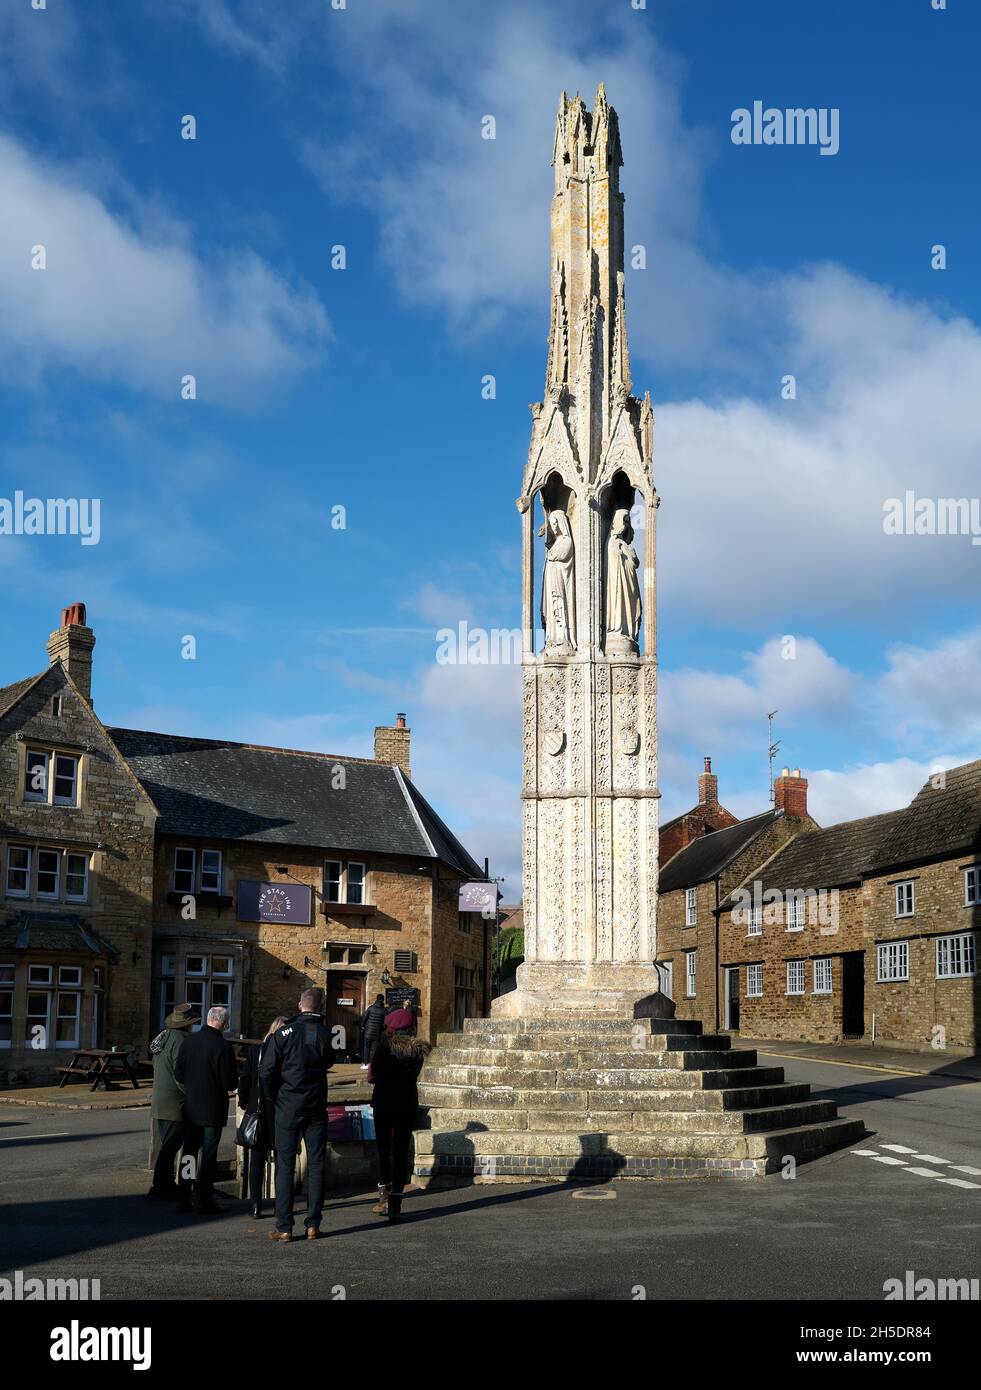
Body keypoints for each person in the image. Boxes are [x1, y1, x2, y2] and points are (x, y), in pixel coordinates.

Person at [260, 987, 334, 1243]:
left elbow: (266, 1071)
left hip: (288, 1105)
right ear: (320, 1008)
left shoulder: (283, 1033)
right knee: (316, 1165)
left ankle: (284, 1226)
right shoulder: (326, 1033)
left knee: (285, 1165)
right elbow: (329, 1062)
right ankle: (313, 1223)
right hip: (315, 1106)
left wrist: (274, 1097)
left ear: (299, 1005)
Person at [369, 1007, 432, 1224]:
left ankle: (383, 1196)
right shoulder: (417, 1052)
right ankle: (396, 1201)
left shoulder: (384, 1049)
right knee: (401, 1150)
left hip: (384, 1102)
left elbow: (373, 1074)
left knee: (383, 1149)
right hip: (406, 1103)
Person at [173, 1004, 238, 1214]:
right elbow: (230, 1082)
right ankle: (204, 1196)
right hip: (212, 1108)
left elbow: (179, 1074)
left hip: (191, 1106)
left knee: (189, 1152)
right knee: (209, 1154)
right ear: (224, 1023)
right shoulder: (223, 1047)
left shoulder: (189, 1042)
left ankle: (184, 1194)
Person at [237, 1014, 287, 1219]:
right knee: (282, 1161)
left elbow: (245, 1081)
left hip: (257, 1111)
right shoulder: (287, 1052)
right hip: (279, 1112)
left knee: (256, 1160)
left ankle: (256, 1205)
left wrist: (245, 1103)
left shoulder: (256, 1051)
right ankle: (279, 1205)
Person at [146, 1003, 195, 1202]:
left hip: (160, 1099)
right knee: (170, 1148)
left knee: (167, 1146)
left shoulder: (163, 1036)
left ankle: (164, 1185)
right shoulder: (182, 1040)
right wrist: (192, 1095)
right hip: (176, 1102)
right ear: (187, 1025)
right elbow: (179, 1074)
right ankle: (160, 1187)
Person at [359, 994, 387, 1069]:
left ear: (376, 999)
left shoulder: (370, 1008)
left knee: (366, 1048)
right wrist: (382, 1030)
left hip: (368, 1032)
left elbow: (364, 1018)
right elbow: (385, 1024)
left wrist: (363, 1026)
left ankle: (366, 1064)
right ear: (383, 1000)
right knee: (374, 1050)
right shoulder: (384, 1011)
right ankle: (373, 1065)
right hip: (377, 1033)